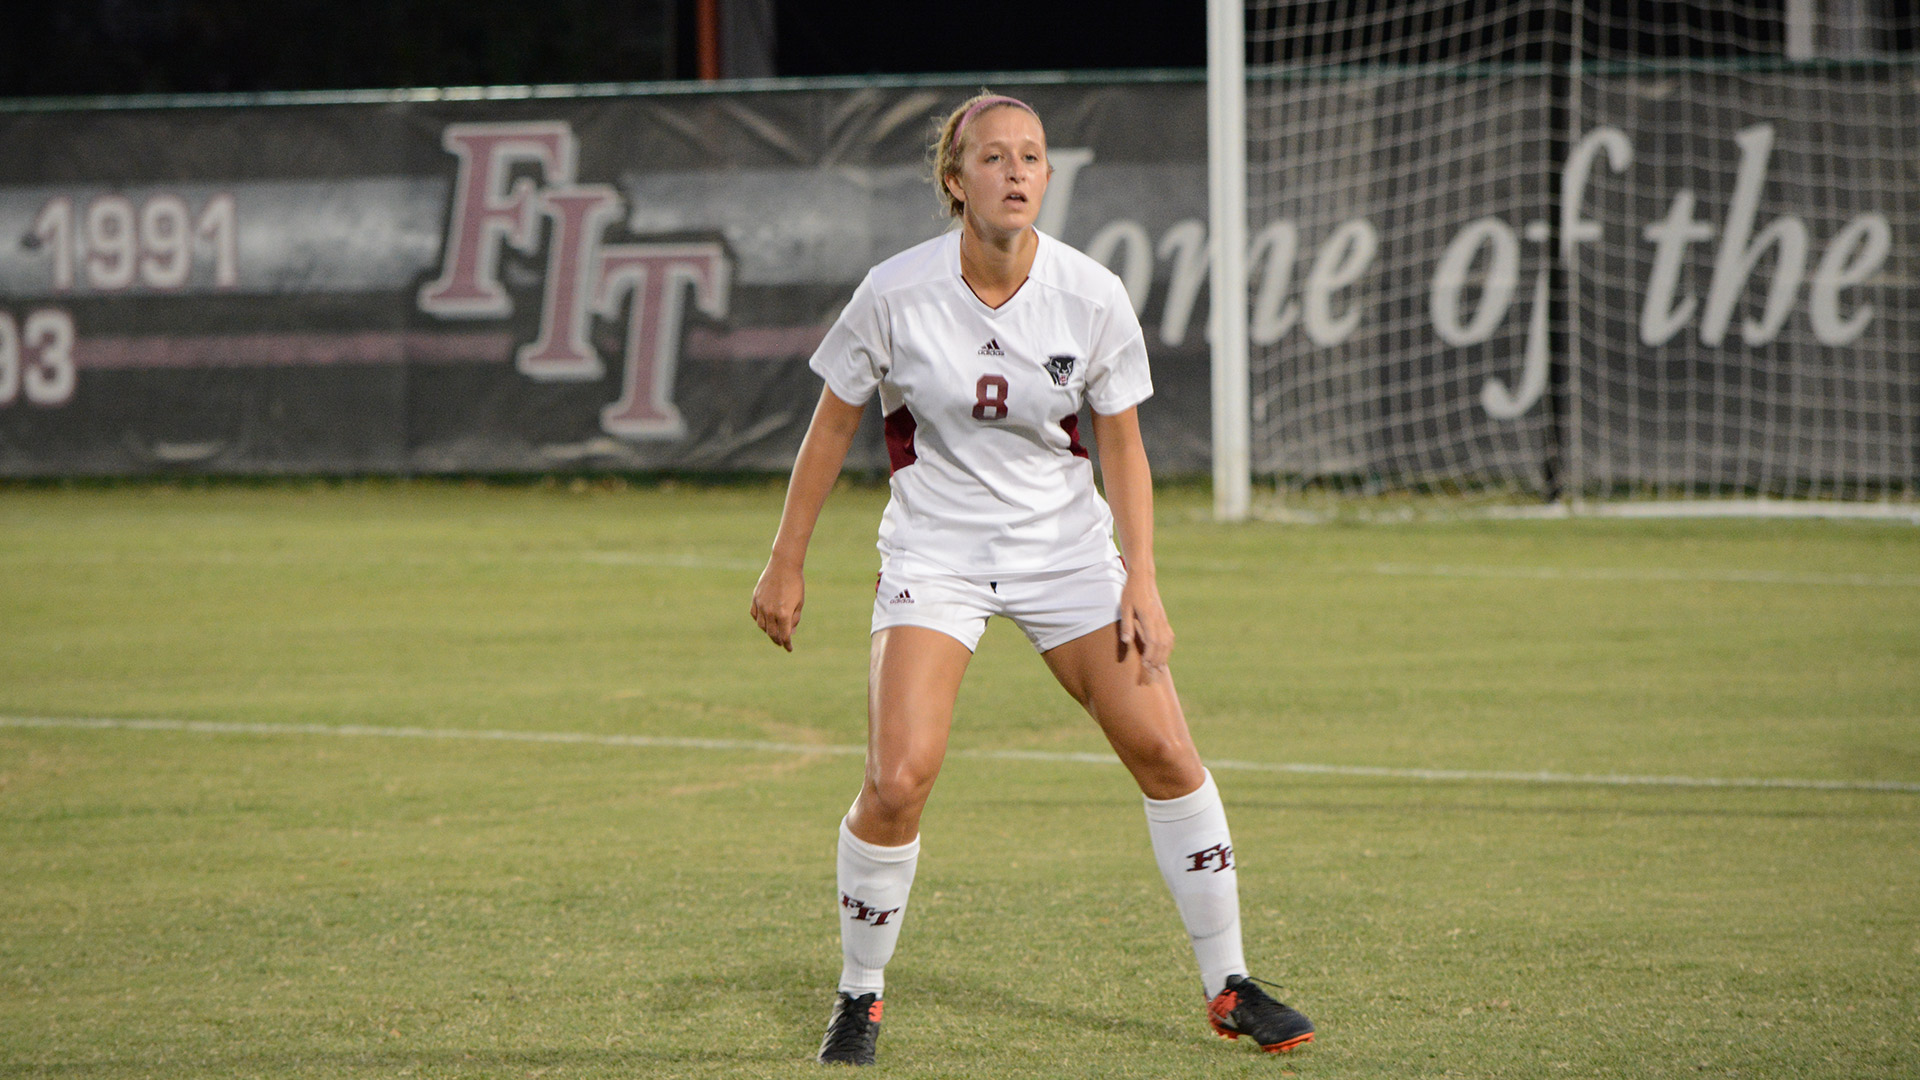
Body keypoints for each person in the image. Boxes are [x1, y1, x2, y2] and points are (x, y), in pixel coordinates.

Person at [749, 91, 1314, 1067]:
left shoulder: (1090, 294)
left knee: (1168, 754)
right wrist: (785, 560)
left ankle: (1229, 984)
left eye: (1032, 156)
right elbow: (832, 424)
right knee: (898, 780)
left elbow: (1124, 449)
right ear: (954, 181)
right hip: (937, 556)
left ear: (1048, 178)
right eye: (994, 157)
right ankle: (860, 994)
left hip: (1067, 556)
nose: (1016, 170)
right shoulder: (894, 292)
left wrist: (1142, 580)